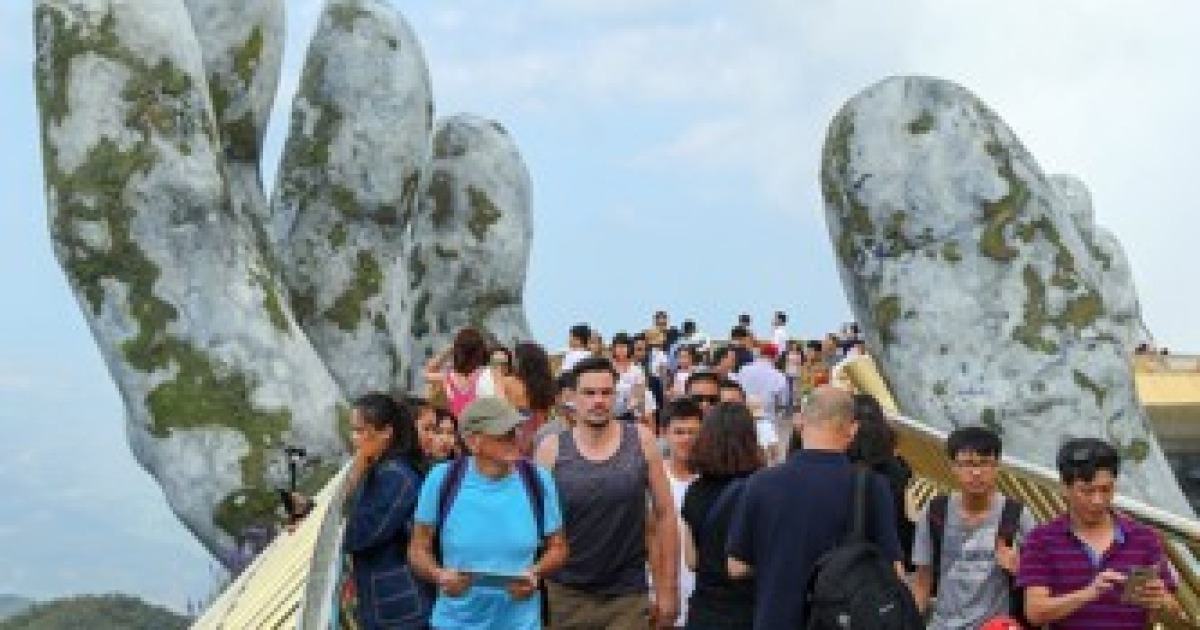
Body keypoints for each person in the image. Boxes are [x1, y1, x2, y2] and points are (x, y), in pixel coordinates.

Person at [726, 385, 902, 629]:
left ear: (800, 423)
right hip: (845, 621)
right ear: (852, 429)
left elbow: (736, 567)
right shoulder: (871, 486)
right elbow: (893, 569)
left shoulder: (761, 483)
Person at [535, 357, 680, 629]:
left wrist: (668, 590)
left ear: (616, 395)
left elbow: (665, 515)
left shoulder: (641, 440)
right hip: (566, 595)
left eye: (606, 392)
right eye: (589, 393)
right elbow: (535, 526)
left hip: (627, 594)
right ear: (571, 398)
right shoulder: (551, 450)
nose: (598, 401)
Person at [408, 397, 569, 630]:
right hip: (455, 622)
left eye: (515, 432)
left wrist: (536, 572)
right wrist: (439, 575)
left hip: (522, 623)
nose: (515, 440)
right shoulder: (442, 479)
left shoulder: (537, 480)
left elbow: (559, 546)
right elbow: (418, 547)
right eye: (504, 435)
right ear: (474, 442)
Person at [1018, 438, 1183, 629]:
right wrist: (1089, 593)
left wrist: (1161, 601)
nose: (1098, 500)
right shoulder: (1042, 539)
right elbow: (1035, 613)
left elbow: (1175, 616)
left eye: (1106, 489)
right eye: (1087, 491)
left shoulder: (1144, 538)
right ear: (1064, 487)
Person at [909, 425, 1035, 628]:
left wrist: (1020, 569)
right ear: (952, 466)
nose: (976, 473)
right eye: (967, 464)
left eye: (985, 463)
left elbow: (1041, 584)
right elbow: (923, 580)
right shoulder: (935, 511)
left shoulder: (1017, 516)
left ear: (997, 466)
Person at [343, 393, 432, 629]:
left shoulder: (396, 476)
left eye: (361, 431)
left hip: (401, 608)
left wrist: (355, 474)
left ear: (386, 432)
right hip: (387, 605)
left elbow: (358, 535)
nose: (355, 439)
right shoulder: (381, 469)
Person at [682, 403, 764, 629]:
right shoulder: (762, 489)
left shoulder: (695, 490)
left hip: (706, 610)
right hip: (750, 610)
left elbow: (691, 561)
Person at [657, 397, 703, 627]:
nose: (686, 439)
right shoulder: (654, 480)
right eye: (679, 432)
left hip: (703, 602)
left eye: (693, 432)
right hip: (660, 599)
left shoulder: (711, 481)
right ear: (664, 432)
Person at [425, 328, 498, 417]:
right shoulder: (485, 374)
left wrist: (451, 348)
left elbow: (430, 370)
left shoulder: (449, 378)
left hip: (457, 429)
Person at [501, 342, 556, 457]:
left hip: (517, 438)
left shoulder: (508, 383)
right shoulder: (548, 386)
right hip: (542, 438)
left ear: (521, 362)